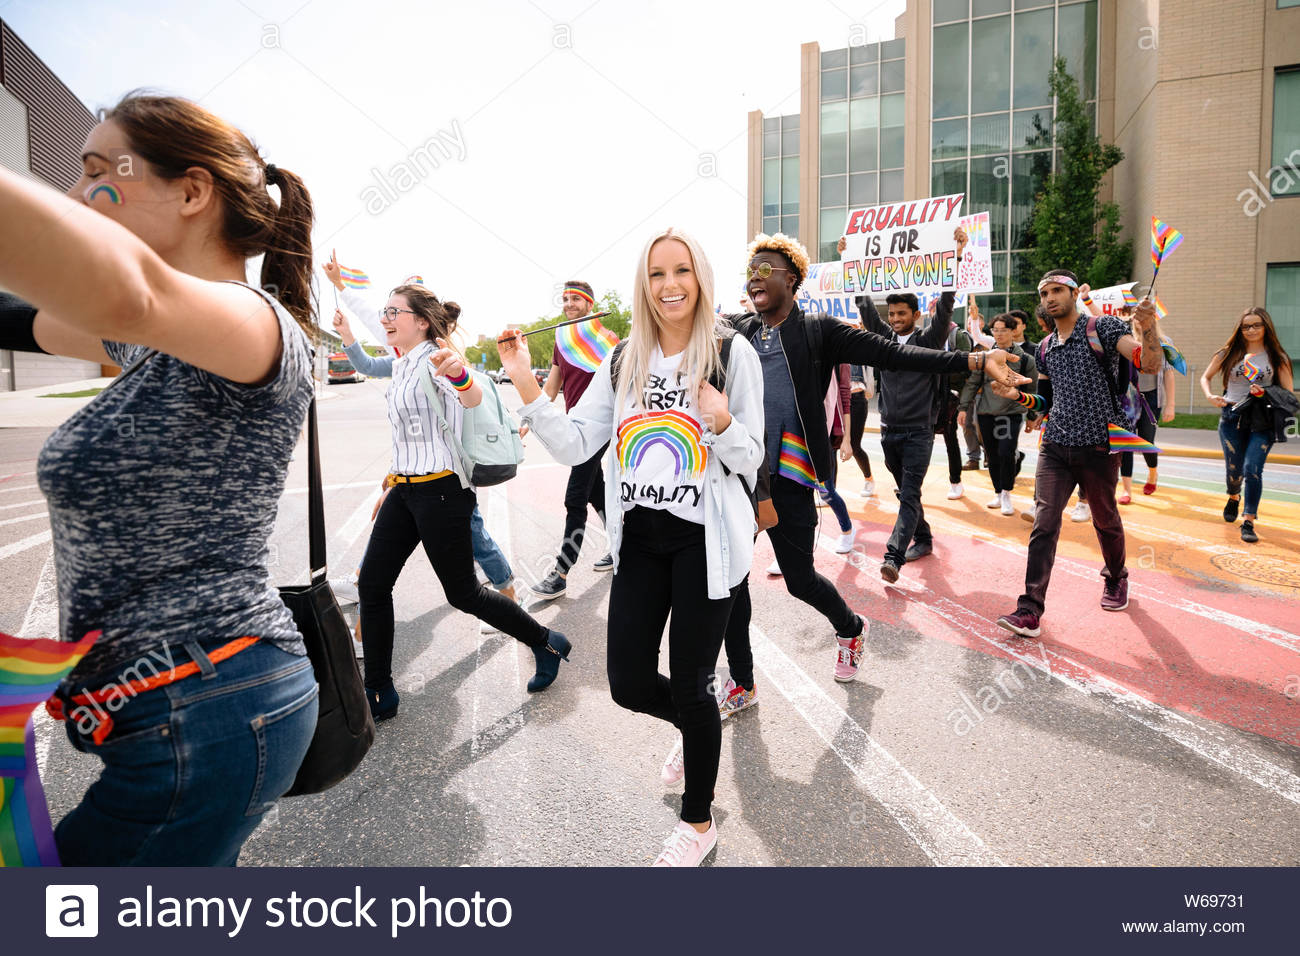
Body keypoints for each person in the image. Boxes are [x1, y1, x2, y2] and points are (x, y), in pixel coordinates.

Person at [0, 93, 320, 865]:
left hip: (209, 703)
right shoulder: (160, 338)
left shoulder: (250, 321)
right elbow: (18, 317)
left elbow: (125, 290)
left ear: (192, 191)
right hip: (181, 706)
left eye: (102, 172)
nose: (80, 197)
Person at [498, 227, 766, 867]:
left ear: (700, 277)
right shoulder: (622, 361)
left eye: (681, 271)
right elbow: (572, 445)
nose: (669, 285)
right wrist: (521, 381)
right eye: (655, 275)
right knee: (627, 682)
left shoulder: (732, 354)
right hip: (640, 540)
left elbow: (752, 459)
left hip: (706, 543)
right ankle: (693, 727)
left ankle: (697, 824)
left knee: (697, 687)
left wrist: (723, 422)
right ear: (642, 287)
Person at [731, 230, 1025, 680]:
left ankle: (850, 628)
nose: (755, 278)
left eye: (765, 270)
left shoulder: (819, 331)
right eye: (750, 271)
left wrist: (974, 361)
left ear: (792, 280)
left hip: (790, 476)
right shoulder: (737, 333)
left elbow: (897, 353)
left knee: (800, 581)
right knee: (728, 583)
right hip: (742, 477)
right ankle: (742, 681)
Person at [332, 291, 569, 721]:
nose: (384, 319)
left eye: (393, 312)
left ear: (422, 321)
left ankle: (546, 640)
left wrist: (461, 376)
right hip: (405, 490)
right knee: (372, 584)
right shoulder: (401, 362)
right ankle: (379, 690)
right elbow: (411, 433)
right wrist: (392, 479)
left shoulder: (435, 359)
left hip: (442, 492)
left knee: (463, 594)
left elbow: (472, 396)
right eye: (383, 312)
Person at [991, 270, 1162, 638]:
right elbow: (1046, 402)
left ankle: (1116, 577)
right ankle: (1029, 609)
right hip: (1055, 447)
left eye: (1057, 290)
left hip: (1100, 447)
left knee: (1105, 519)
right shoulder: (1046, 347)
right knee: (1044, 522)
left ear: (1072, 293)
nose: (1050, 298)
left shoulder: (1104, 329)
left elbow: (1148, 364)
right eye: (1045, 292)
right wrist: (1016, 397)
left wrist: (1147, 329)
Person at [852, 228, 970, 580]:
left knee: (908, 494)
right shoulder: (882, 340)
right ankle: (924, 536)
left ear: (916, 315)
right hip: (889, 433)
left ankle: (893, 558)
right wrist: (850, 260)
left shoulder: (930, 339)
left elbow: (947, 301)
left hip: (919, 433)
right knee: (906, 492)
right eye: (892, 314)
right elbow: (863, 306)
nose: (895, 319)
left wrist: (957, 255)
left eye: (902, 313)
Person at [531, 280, 613, 600]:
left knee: (575, 497)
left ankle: (561, 572)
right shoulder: (561, 339)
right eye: (565, 299)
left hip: (598, 429)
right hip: (575, 425)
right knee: (597, 492)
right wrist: (529, 418)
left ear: (590, 304)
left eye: (575, 299)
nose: (568, 304)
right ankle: (621, 546)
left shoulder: (606, 341)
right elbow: (552, 388)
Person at [1200, 307, 1295, 544]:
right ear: (1240, 330)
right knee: (1235, 471)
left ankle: (1249, 520)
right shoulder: (1228, 353)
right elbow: (1205, 377)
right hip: (1232, 416)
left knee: (1252, 468)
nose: (1251, 330)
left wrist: (1265, 392)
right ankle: (1233, 496)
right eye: (1246, 326)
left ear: (1266, 328)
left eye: (1256, 325)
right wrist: (1210, 395)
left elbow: (1289, 395)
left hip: (1262, 420)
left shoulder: (1277, 357)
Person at [958, 312, 1038, 515]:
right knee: (991, 454)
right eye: (996, 330)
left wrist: (1030, 416)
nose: (1000, 334)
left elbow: (1032, 390)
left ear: (1013, 331)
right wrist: (963, 408)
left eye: (1004, 330)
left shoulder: (1025, 358)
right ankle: (997, 491)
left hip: (1011, 411)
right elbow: (973, 383)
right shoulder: (984, 357)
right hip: (985, 411)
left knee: (1006, 451)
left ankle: (1007, 493)